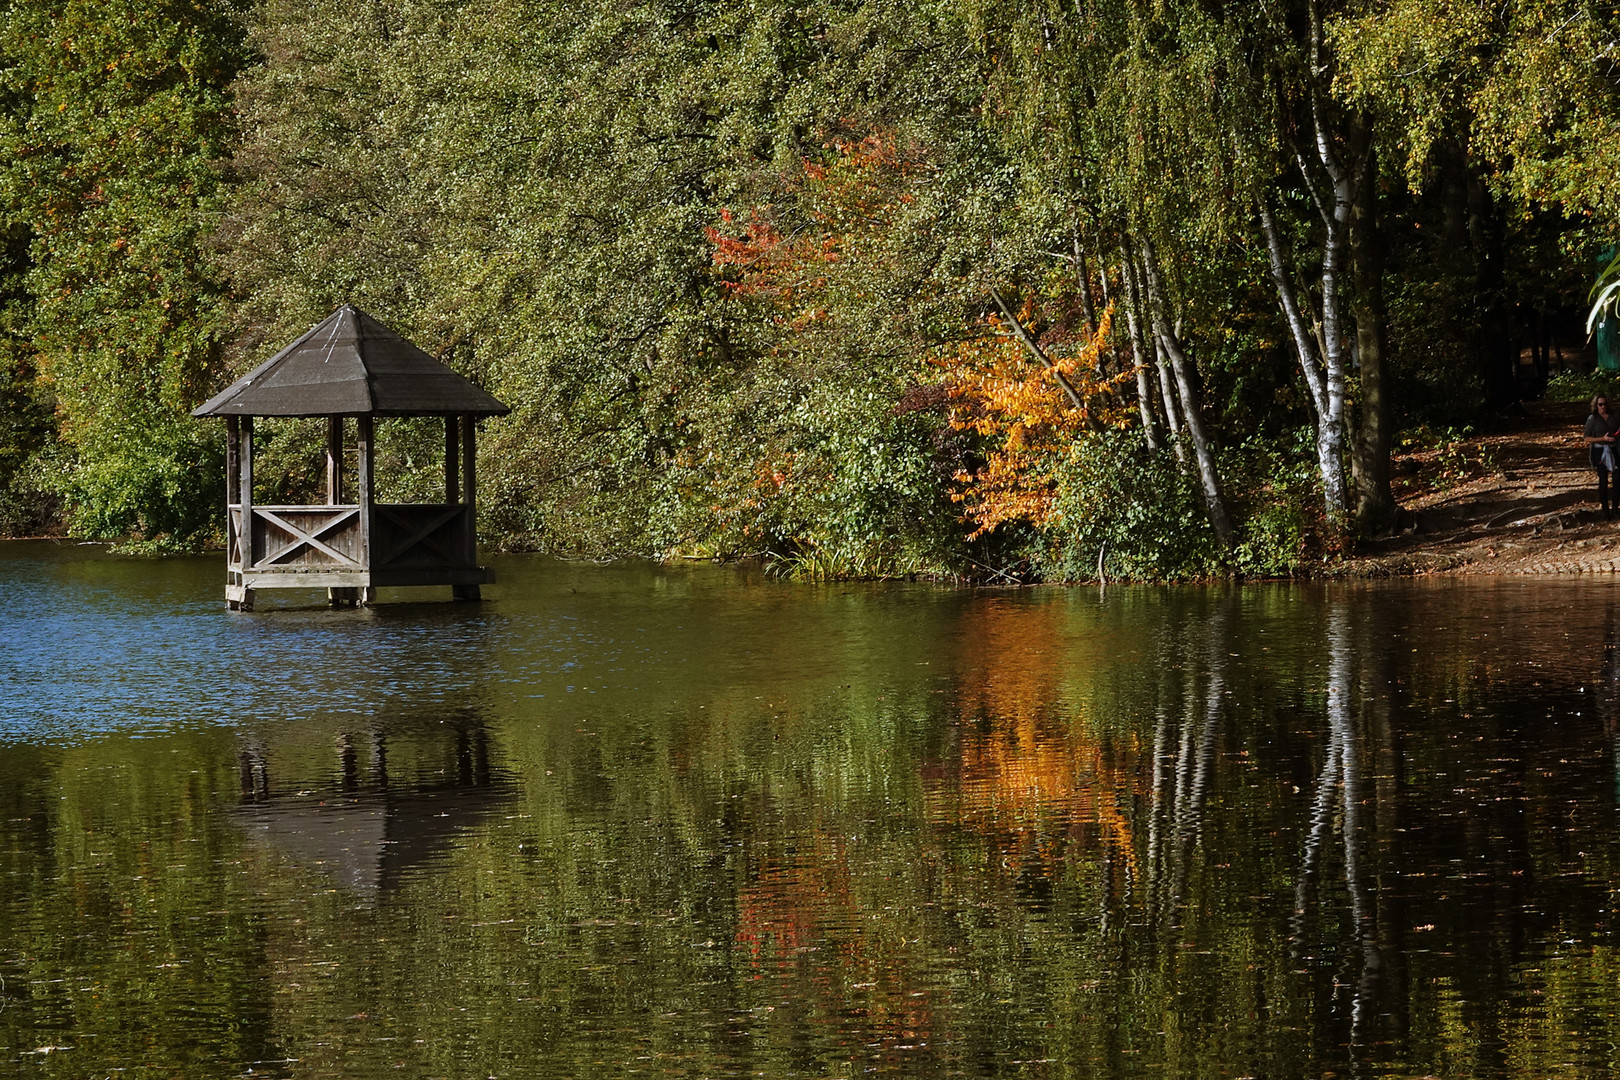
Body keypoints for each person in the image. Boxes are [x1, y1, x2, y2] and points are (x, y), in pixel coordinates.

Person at [1587, 394, 1619, 517]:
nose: (1603, 407)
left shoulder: (1614, 416)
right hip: (1599, 451)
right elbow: (1587, 438)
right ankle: (1605, 509)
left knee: (1617, 479)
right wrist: (1602, 438)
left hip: (1614, 450)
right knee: (1603, 480)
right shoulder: (1592, 419)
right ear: (1596, 405)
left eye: (1605, 404)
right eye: (1600, 404)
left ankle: (1615, 507)